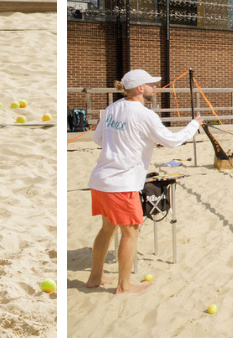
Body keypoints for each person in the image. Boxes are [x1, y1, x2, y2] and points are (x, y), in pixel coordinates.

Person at [87, 69, 203, 294]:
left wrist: (121, 144)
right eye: (151, 84)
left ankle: (95, 277)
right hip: (122, 183)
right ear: (140, 89)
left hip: (101, 179)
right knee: (130, 232)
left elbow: (98, 138)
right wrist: (194, 125)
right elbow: (171, 141)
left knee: (107, 229)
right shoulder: (144, 114)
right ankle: (123, 285)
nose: (154, 88)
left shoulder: (111, 108)